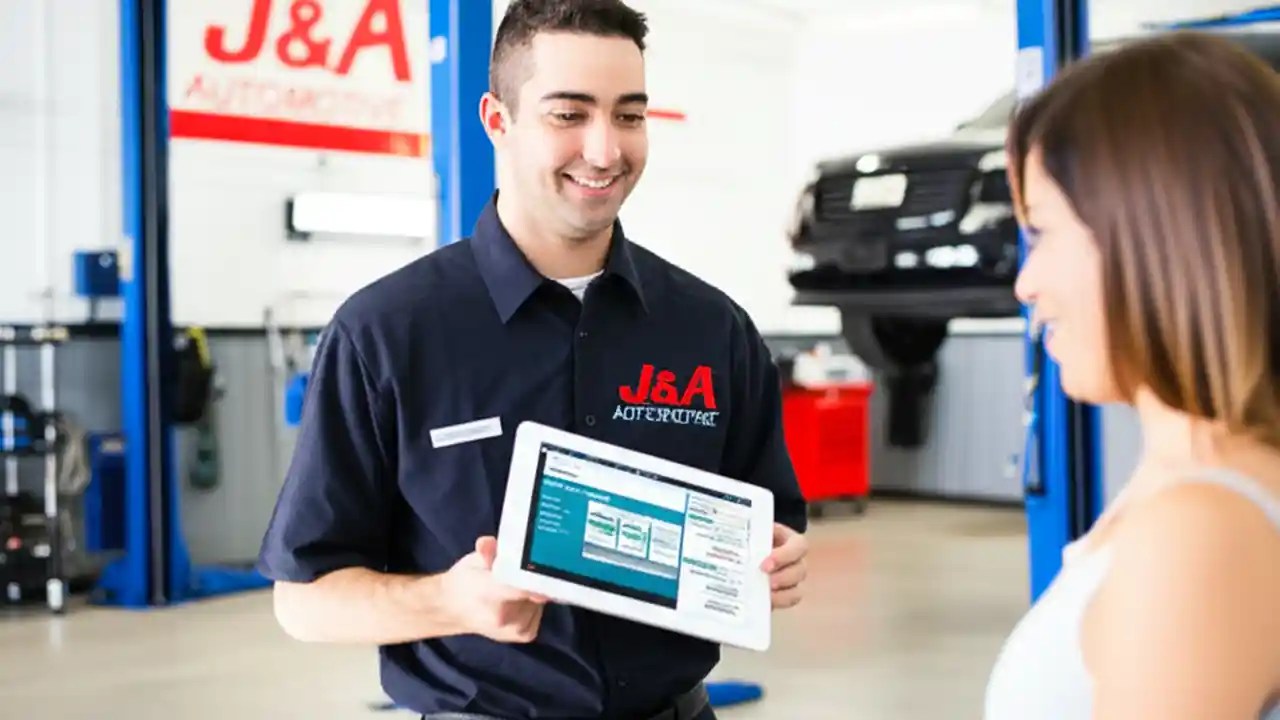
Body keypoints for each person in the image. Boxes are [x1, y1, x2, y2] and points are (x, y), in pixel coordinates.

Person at [256, 1, 810, 718]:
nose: (606, 150)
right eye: (569, 114)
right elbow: (304, 601)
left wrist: (778, 559)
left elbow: (771, 525)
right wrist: (449, 600)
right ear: (498, 120)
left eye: (630, 115)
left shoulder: (712, 331)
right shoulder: (388, 333)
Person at [984, 31, 1280, 720]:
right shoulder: (1192, 499)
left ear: (1154, 238)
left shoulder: (1200, 533)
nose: (1027, 284)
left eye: (1046, 232)